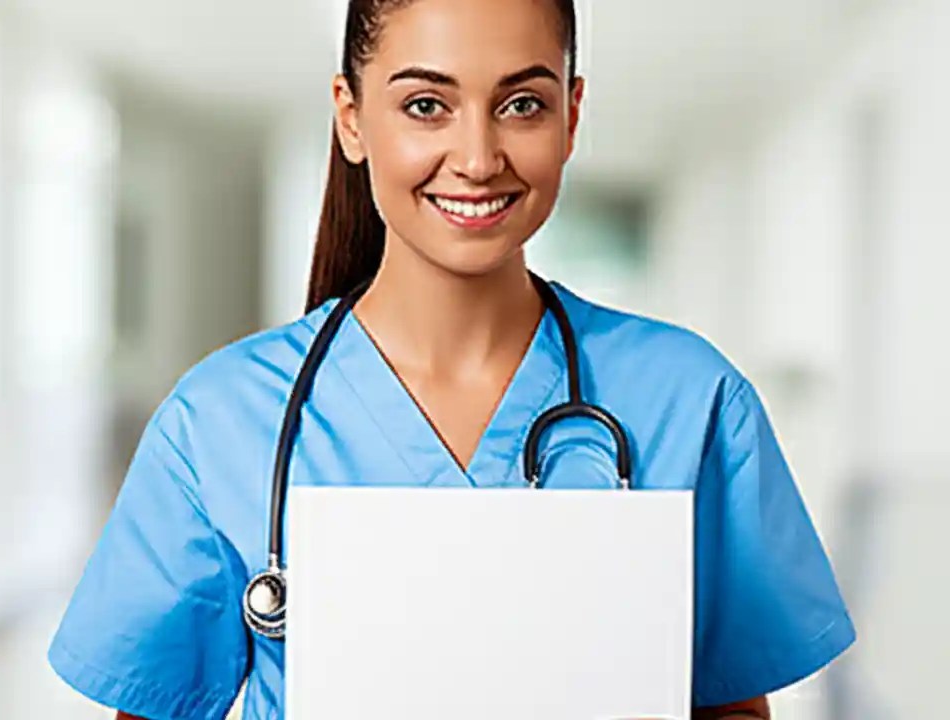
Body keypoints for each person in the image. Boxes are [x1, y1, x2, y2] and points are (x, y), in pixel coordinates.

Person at [47, 0, 856, 717]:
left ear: (572, 116)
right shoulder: (221, 420)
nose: (476, 157)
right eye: (427, 105)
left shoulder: (687, 399)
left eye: (522, 104)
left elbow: (732, 710)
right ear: (352, 116)